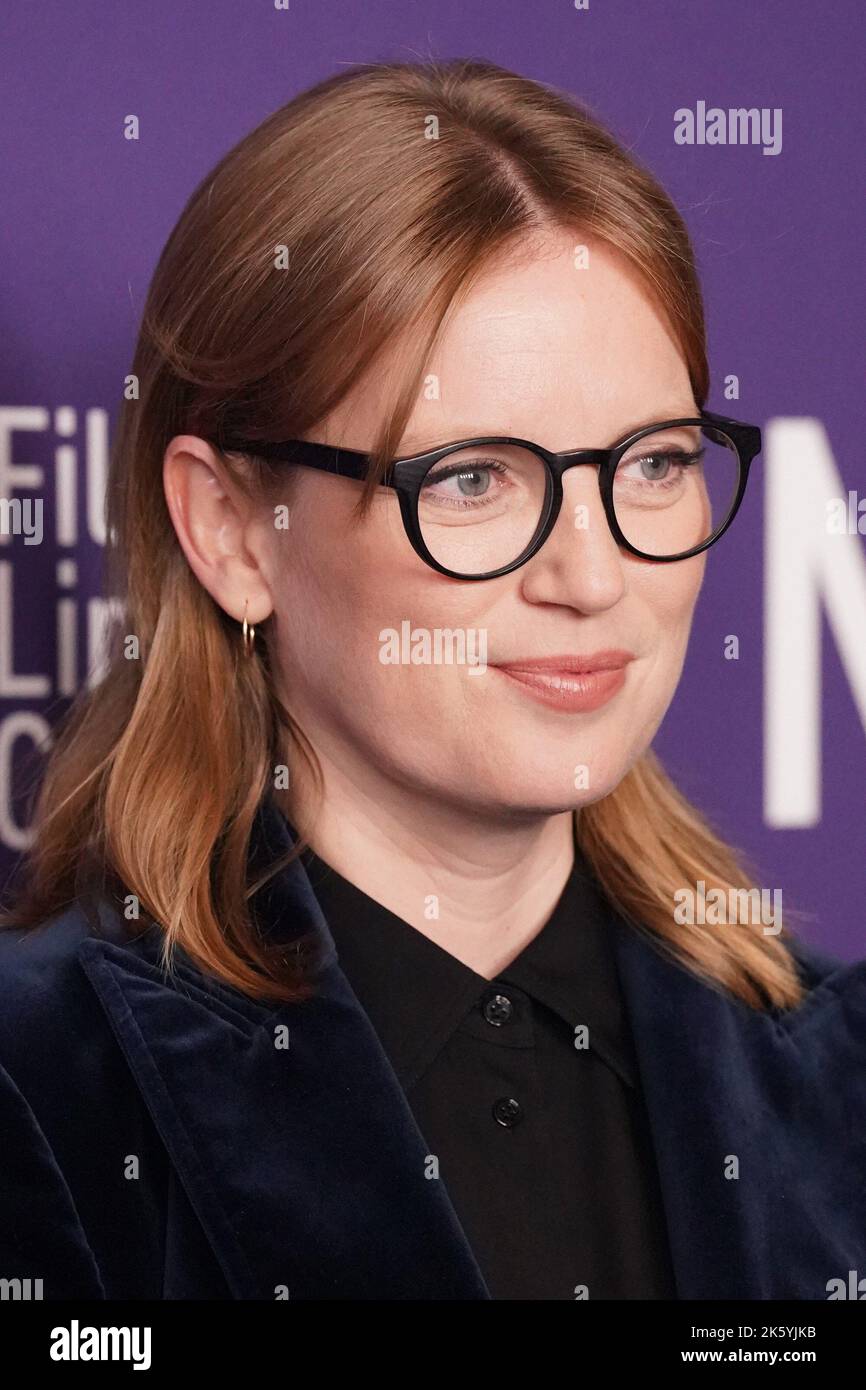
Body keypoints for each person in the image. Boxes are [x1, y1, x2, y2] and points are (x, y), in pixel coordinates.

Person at [1, 58, 863, 1302]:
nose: (592, 569)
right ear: (235, 531)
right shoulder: (45, 1096)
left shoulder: (830, 1082)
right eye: (470, 479)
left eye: (652, 464)